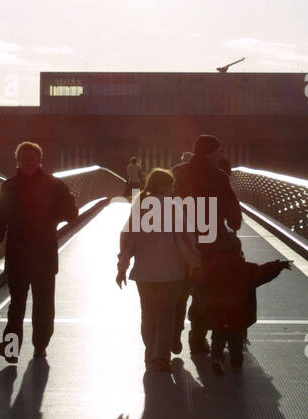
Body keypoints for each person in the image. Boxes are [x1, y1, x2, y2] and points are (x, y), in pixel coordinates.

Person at [0, 141, 78, 363]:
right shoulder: (53, 185)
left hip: (27, 254)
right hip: (35, 254)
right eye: (23, 160)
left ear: (39, 160)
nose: (27, 163)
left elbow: (70, 213)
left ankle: (33, 346)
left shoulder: (9, 187)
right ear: (18, 161)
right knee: (30, 304)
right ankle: (28, 348)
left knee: (30, 304)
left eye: (31, 159)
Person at [116, 167, 199, 372]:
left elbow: (128, 240)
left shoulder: (140, 207)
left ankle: (149, 351)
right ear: (166, 185)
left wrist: (122, 267)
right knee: (165, 316)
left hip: (143, 273)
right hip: (171, 274)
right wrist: (195, 264)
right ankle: (160, 357)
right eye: (171, 185)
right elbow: (185, 240)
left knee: (148, 313)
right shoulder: (174, 207)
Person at [172, 134, 242, 355]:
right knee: (204, 290)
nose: (222, 154)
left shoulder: (177, 172)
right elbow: (232, 212)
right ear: (211, 152)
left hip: (179, 240)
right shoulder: (219, 177)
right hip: (209, 243)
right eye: (219, 151)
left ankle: (174, 333)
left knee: (178, 289)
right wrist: (233, 222)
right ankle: (198, 337)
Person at [193, 230, 290, 374]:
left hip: (217, 311)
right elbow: (263, 272)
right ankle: (236, 362)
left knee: (218, 336)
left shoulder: (212, 268)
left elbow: (199, 281)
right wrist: (278, 265)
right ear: (239, 250)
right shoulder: (247, 268)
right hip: (238, 312)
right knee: (236, 339)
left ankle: (217, 358)